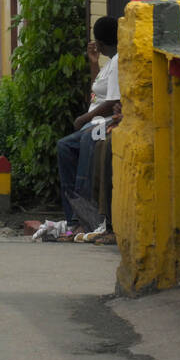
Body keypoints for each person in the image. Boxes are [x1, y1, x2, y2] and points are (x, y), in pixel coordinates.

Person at [57, 16, 122, 230]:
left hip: (104, 122)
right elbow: (98, 95)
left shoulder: (118, 62)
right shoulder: (108, 64)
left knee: (83, 141)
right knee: (66, 147)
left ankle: (83, 216)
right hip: (95, 120)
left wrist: (83, 119)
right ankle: (73, 217)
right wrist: (94, 64)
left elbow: (113, 100)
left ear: (101, 43)